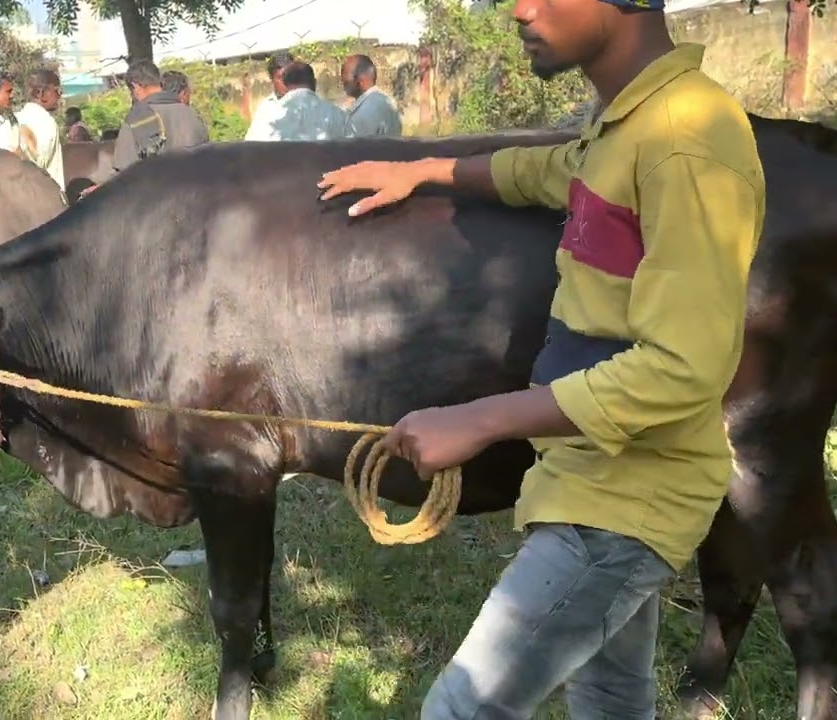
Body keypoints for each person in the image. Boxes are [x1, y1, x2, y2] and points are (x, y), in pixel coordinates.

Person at [319, 0, 765, 716]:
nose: (520, 10)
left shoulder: (687, 138)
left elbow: (685, 367)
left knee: (460, 709)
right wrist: (425, 170)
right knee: (611, 697)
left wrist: (480, 420)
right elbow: (545, 170)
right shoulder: (628, 121)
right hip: (594, 472)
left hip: (626, 501)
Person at [110, 58, 208, 176]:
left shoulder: (136, 118)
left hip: (156, 192)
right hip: (196, 189)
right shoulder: (191, 113)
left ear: (135, 86)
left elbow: (124, 172)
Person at [244, 61, 346, 142]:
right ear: (314, 83)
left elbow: (251, 147)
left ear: (286, 84)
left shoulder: (270, 115)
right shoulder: (335, 113)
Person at [15, 68, 65, 189]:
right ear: (40, 94)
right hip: (45, 196)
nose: (60, 95)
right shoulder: (45, 121)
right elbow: (39, 164)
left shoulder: (16, 118)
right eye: (57, 90)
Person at [340, 53, 403, 137]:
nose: (342, 80)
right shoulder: (386, 101)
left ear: (360, 80)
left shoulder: (366, 111)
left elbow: (353, 146)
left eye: (345, 74)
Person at [244, 51, 294, 141]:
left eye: (290, 76)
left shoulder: (308, 104)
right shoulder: (266, 109)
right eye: (280, 78)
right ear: (272, 80)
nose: (287, 81)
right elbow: (251, 143)